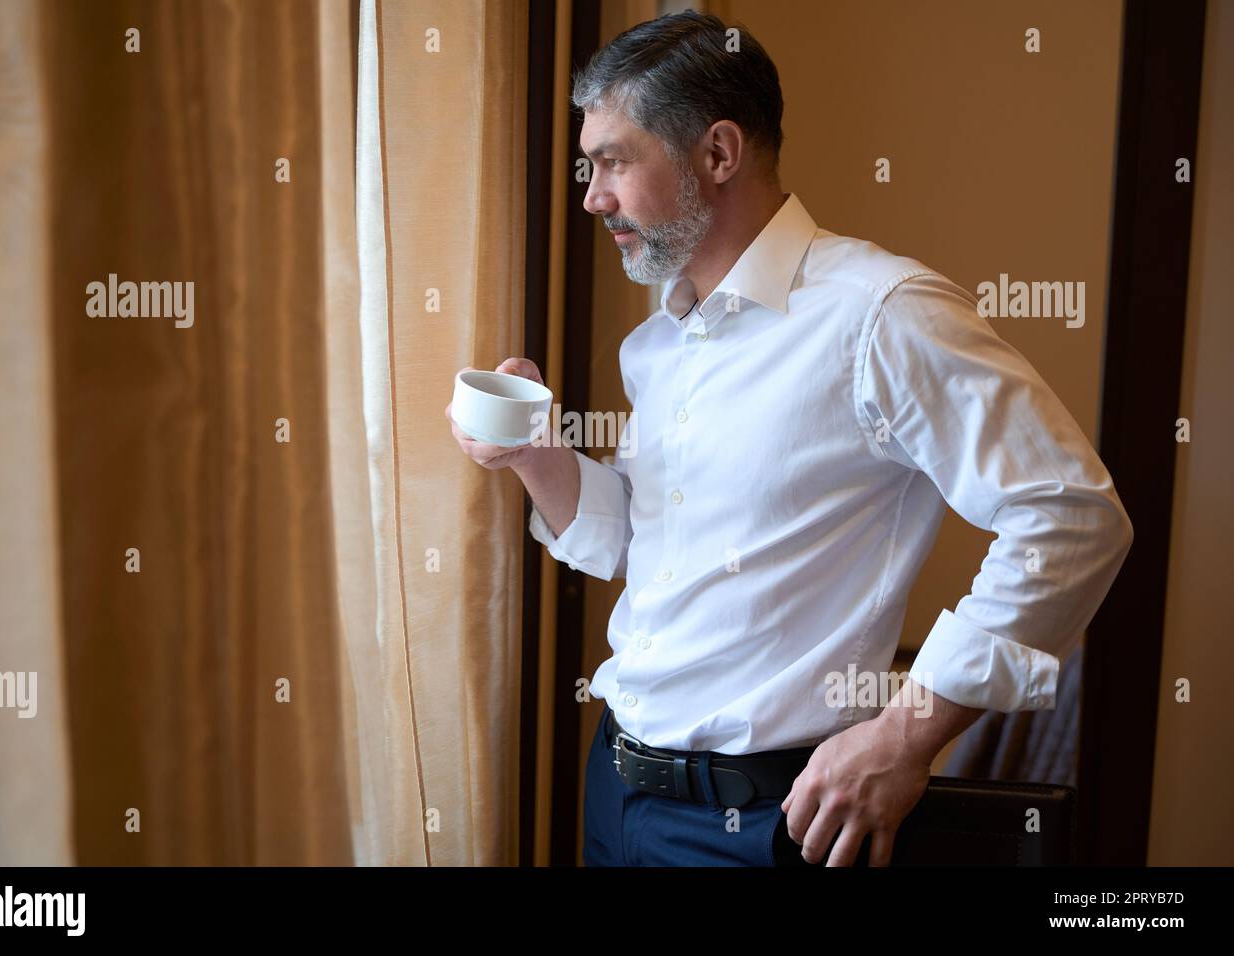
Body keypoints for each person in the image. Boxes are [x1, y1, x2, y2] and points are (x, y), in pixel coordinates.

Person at [445, 10, 1132, 866]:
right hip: (616, 790)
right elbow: (634, 539)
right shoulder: (658, 344)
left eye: (615, 161)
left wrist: (904, 738)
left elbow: (1071, 515)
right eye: (591, 167)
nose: (593, 196)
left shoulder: (880, 314)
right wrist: (531, 452)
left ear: (719, 153)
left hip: (765, 822)